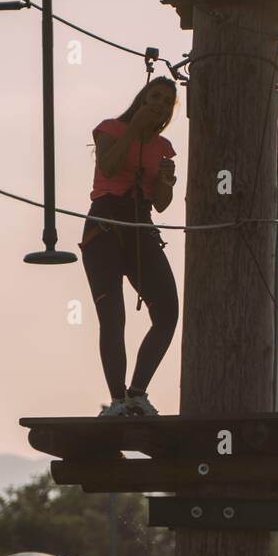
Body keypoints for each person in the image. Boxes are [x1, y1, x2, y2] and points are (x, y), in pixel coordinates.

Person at [81, 77, 181, 417]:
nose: (160, 104)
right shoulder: (110, 129)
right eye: (155, 97)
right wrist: (134, 128)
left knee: (167, 311)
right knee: (113, 317)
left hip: (140, 225)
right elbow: (107, 166)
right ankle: (117, 401)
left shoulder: (163, 147)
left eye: (167, 101)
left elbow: (162, 203)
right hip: (105, 225)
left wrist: (165, 180)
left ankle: (137, 393)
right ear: (141, 99)